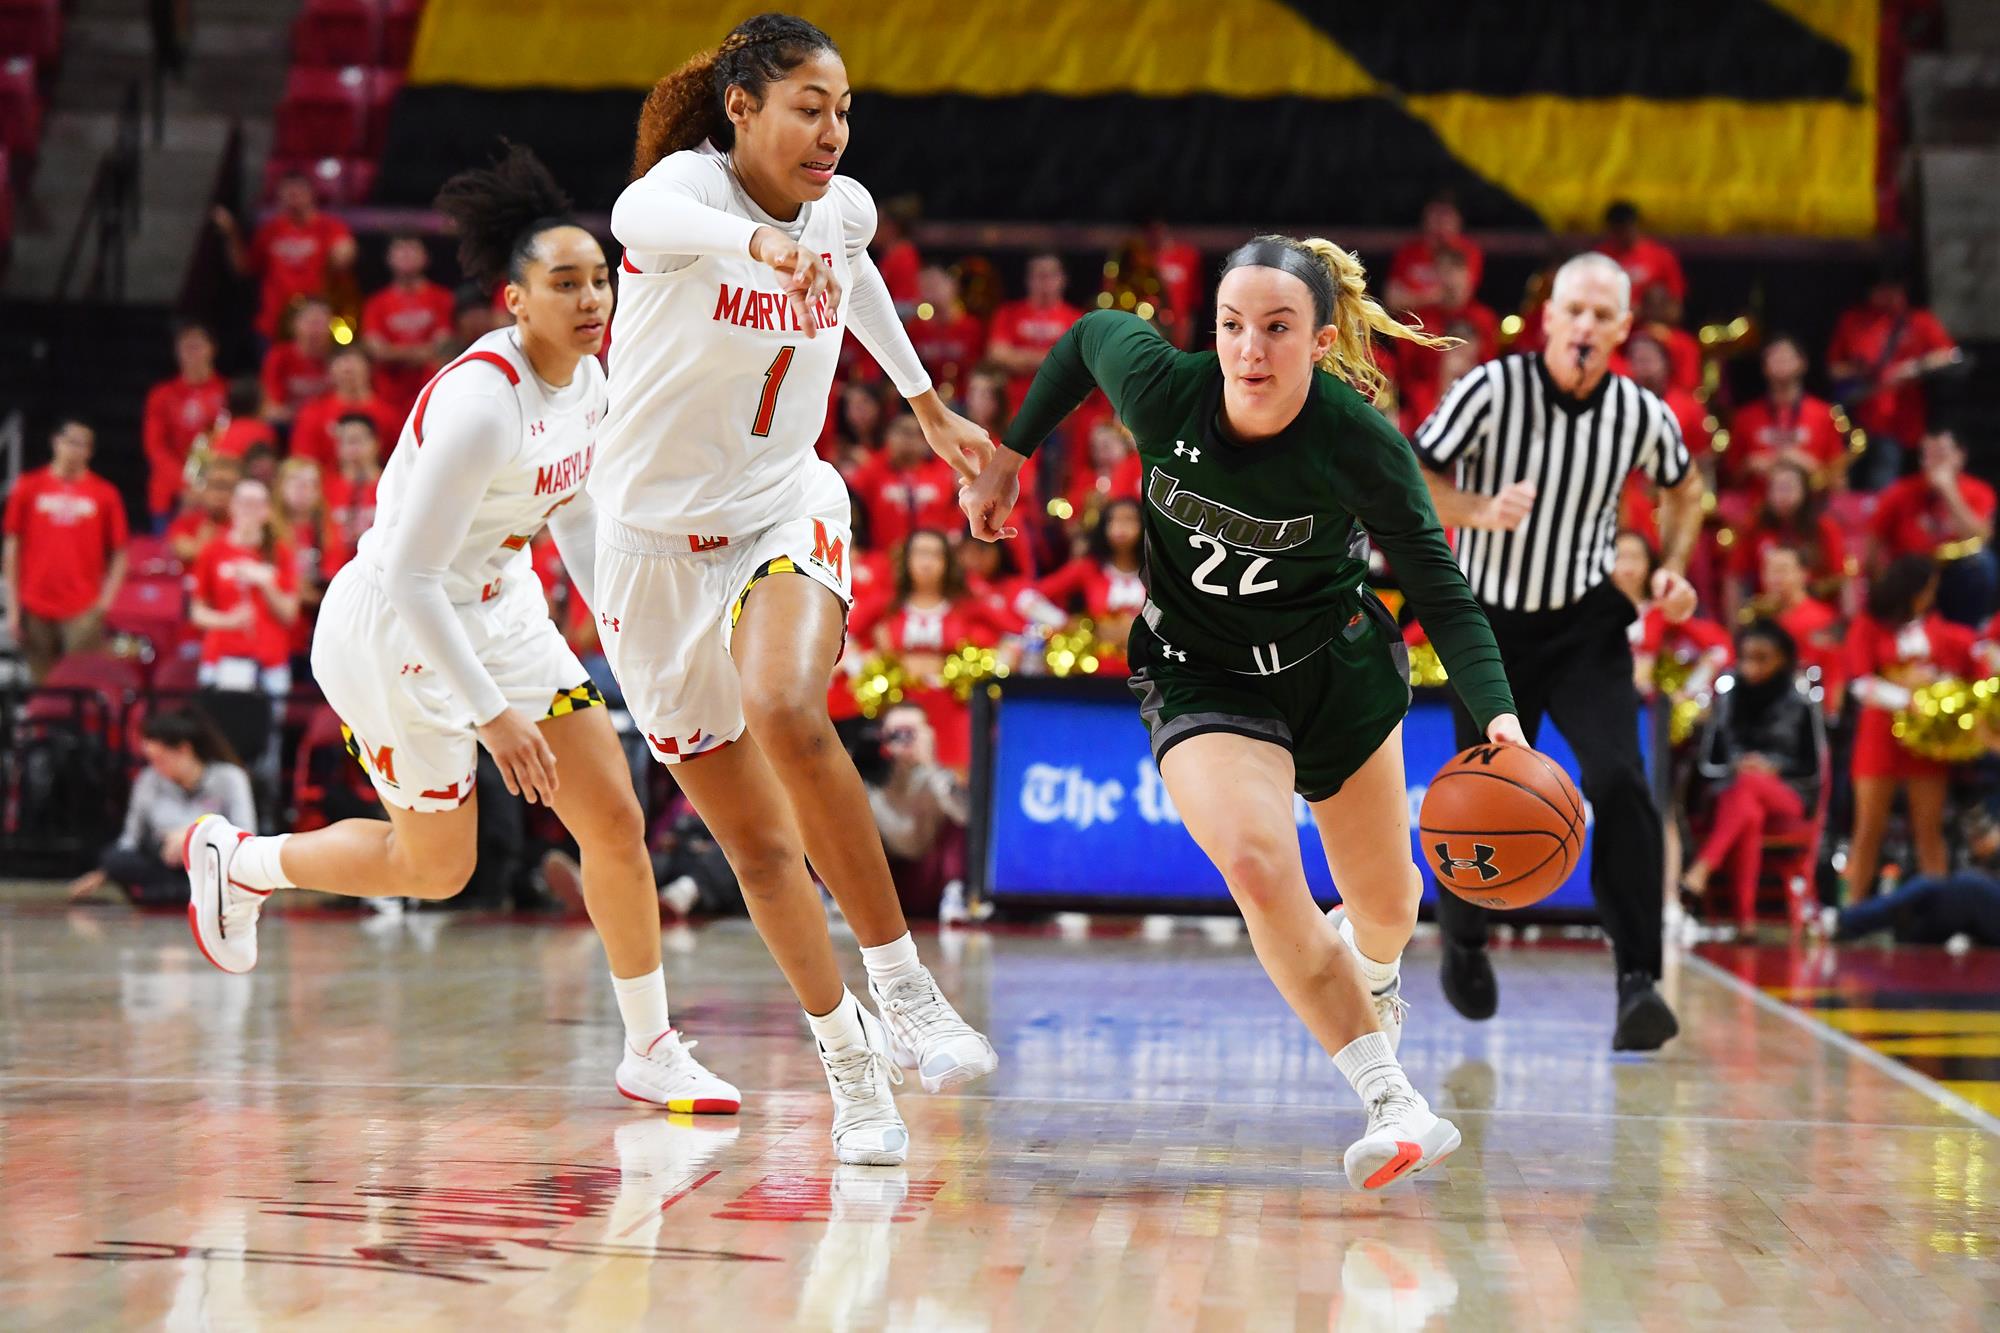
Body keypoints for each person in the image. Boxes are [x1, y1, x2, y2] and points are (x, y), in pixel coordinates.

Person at [178, 146, 743, 1117]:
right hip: (396, 628)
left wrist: (633, 631)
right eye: (563, 283)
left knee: (608, 815)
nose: (590, 298)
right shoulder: (485, 406)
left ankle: (649, 1046)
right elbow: (408, 572)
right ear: (513, 301)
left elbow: (571, 515)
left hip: (497, 603)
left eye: (599, 279)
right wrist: (491, 717)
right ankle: (243, 862)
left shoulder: (592, 385)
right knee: (436, 866)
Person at [962, 233, 1525, 1191]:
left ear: (1322, 337)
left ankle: (1371, 979)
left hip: (1335, 668)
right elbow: (1087, 337)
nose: (1250, 351)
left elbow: (1441, 586)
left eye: (1276, 328)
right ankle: (1391, 1098)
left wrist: (1502, 720)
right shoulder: (1165, 389)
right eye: (1232, 327)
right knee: (1261, 869)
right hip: (1201, 673)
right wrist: (1011, 456)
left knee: (1389, 904)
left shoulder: (1359, 442)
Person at [596, 12, 999, 1167]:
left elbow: (858, 272)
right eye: (807, 108)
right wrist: (749, 251)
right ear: (742, 108)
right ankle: (849, 1063)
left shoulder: (845, 208)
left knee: (785, 704)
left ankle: (907, 986)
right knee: (759, 853)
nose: (829, 132)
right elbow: (635, 215)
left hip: (782, 501)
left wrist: (923, 403)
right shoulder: (684, 195)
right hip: (649, 549)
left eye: (842, 112)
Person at [1413, 251, 1704, 1050]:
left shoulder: (1640, 413)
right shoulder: (1489, 389)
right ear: (1548, 316)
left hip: (1585, 623)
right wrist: (1478, 508)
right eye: (1573, 310)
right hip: (1489, 630)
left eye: (1601, 316)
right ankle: (1465, 940)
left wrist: (1670, 567)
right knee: (1483, 799)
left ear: (1622, 330)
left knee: (1621, 779)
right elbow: (1414, 477)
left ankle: (1638, 979)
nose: (1584, 326)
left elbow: (1686, 488)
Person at [1843, 555, 1971, 899]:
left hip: (1925, 740)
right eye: (1927, 589)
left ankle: (1945, 912)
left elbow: (1962, 664)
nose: (1930, 596)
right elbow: (1858, 683)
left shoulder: (1934, 628)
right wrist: (1905, 696)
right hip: (1879, 734)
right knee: (1868, 828)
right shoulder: (1868, 626)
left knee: (1929, 828)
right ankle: (1852, 909)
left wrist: (1934, 683)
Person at [1682, 621, 1825, 929]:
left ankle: (1703, 869)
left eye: (1762, 658)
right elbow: (1708, 763)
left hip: (1786, 793)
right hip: (1734, 790)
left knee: (1749, 791)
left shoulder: (1801, 703)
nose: (1752, 666)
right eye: (1746, 657)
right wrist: (1738, 766)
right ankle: (1745, 922)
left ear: (1783, 659)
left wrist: (1774, 768)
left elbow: (1813, 768)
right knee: (1748, 811)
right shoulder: (1729, 699)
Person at [858, 527, 1021, 773]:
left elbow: (1016, 634)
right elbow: (843, 633)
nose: (927, 563)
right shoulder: (887, 603)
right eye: (920, 554)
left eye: (935, 555)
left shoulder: (967, 604)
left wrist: (994, 669)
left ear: (947, 562)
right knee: (898, 785)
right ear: (906, 560)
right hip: (902, 708)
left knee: (958, 782)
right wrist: (863, 664)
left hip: (952, 708)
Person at [69, 709, 255, 906]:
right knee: (113, 857)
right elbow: (131, 839)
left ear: (184, 750)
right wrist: (105, 872)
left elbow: (246, 834)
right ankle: (185, 894)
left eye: (160, 760)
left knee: (239, 868)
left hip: (210, 859)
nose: (155, 767)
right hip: (163, 860)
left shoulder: (229, 777)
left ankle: (173, 893)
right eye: (151, 761)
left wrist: (195, 835)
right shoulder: (148, 779)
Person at [2, 419, 129, 682]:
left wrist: (104, 604)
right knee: (42, 686)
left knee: (79, 685)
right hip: (35, 602)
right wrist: (13, 607)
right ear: (55, 442)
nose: (75, 449)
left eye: (83, 444)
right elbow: (12, 547)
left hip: (83, 606)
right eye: (71, 441)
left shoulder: (105, 494)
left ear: (90, 452)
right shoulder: (28, 486)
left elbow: (120, 553)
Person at [1828, 264, 1959, 487]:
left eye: (1892, 288)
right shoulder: (1853, 320)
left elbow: (1949, 355)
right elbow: (1834, 369)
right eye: (1881, 289)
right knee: (1844, 477)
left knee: (1884, 476)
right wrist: (1861, 370)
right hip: (1856, 416)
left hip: (1900, 420)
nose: (1886, 294)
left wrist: (1913, 367)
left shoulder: (1919, 320)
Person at [212, 170, 357, 343]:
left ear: (311, 194)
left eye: (298, 192)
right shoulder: (269, 231)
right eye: (288, 193)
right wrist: (232, 233)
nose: (293, 197)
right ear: (280, 197)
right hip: (274, 325)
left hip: (317, 326)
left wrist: (345, 252)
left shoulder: (330, 227)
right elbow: (244, 268)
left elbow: (344, 255)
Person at [188, 477, 299, 700]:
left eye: (256, 504)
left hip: (269, 660)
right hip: (222, 656)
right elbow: (196, 611)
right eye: (243, 502)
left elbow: (289, 614)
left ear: (266, 511)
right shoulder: (212, 551)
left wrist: (266, 583)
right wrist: (228, 621)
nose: (249, 510)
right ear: (233, 507)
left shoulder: (280, 554)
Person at [1870, 429, 1995, 626]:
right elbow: (1873, 548)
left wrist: (1948, 491)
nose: (1933, 463)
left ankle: (1969, 633)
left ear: (1960, 456)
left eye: (1941, 455)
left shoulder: (1978, 491)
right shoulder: (1900, 492)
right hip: (1911, 577)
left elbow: (1980, 539)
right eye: (1928, 455)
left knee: (1983, 564)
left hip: (1953, 578)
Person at [864, 702, 968, 918]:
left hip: (930, 877)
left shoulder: (937, 777)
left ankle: (955, 895)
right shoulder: (871, 775)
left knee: (956, 823)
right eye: (896, 733)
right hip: (884, 877)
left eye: (911, 733)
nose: (903, 740)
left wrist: (931, 764)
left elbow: (965, 816)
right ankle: (834, 896)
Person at [1721, 459, 1850, 622]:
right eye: (1776, 489)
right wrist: (1735, 628)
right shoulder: (1754, 527)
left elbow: (1842, 579)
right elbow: (1734, 577)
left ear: (1804, 490)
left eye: (1788, 488)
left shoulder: (1825, 528)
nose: (1782, 496)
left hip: (1816, 614)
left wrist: (1847, 624)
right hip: (1768, 617)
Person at [1724, 335, 1849, 494]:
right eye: (1774, 357)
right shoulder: (1745, 417)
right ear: (1764, 366)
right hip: (1755, 510)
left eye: (1787, 356)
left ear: (1803, 363)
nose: (1781, 362)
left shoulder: (1824, 415)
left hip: (1810, 511)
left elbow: (1840, 484)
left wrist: (1808, 465)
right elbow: (1728, 481)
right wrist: (1749, 465)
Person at [361, 232, 456, 424]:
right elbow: (377, 351)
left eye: (412, 249)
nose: (406, 255)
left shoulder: (443, 298)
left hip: (434, 394)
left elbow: (444, 347)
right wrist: (421, 352)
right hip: (389, 398)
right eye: (400, 250)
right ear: (388, 259)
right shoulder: (376, 303)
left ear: (426, 257)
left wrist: (395, 352)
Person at [142, 324, 228, 522]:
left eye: (198, 346)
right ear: (176, 352)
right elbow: (156, 448)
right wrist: (184, 486)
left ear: (212, 349)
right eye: (186, 347)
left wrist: (208, 488)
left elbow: (228, 444)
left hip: (215, 495)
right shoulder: (161, 395)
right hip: (171, 496)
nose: (192, 352)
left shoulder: (227, 393)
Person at [848, 412, 963, 550]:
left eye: (916, 434)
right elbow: (853, 507)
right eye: (902, 432)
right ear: (888, 437)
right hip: (883, 559)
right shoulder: (872, 470)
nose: (908, 440)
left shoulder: (943, 470)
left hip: (933, 558)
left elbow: (957, 509)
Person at [987, 252, 1083, 414]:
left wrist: (1019, 357)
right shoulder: (1008, 313)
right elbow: (997, 356)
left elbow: (1077, 364)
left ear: (1063, 279)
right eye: (1038, 275)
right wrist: (1054, 358)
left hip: (1060, 409)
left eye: (1050, 275)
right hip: (1012, 406)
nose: (1045, 281)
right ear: (1028, 279)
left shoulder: (1078, 320)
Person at [290, 346, 400, 473]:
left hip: (378, 486)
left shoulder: (389, 414)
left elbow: (400, 461)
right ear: (331, 373)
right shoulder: (313, 414)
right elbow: (303, 463)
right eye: (344, 371)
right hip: (327, 488)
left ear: (368, 369)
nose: (349, 374)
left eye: (354, 369)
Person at [1387, 192, 1483, 313]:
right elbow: (1393, 300)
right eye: (1435, 214)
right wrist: (1436, 295)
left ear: (1458, 220)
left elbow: (1457, 299)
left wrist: (1412, 297)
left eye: (1446, 215)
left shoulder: (1467, 250)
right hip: (1413, 325)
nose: (1440, 222)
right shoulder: (1409, 251)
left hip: (1453, 325)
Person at [903, 264, 986, 401]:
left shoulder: (970, 326)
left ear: (953, 286)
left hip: (965, 399)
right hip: (927, 401)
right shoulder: (915, 328)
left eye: (935, 285)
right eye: (925, 287)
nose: (930, 292)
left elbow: (979, 368)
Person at [258, 295, 336, 428]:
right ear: (294, 325)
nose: (316, 330)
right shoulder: (279, 356)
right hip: (290, 425)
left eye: (322, 323)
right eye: (311, 323)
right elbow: (271, 407)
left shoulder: (338, 358)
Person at [1594, 200, 1684, 309]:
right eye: (1617, 229)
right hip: (1610, 318)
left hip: (1648, 322)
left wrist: (1645, 311)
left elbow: (1675, 305)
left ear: (1637, 225)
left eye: (1626, 227)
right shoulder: (1600, 258)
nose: (1623, 234)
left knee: (1656, 292)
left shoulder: (1660, 256)